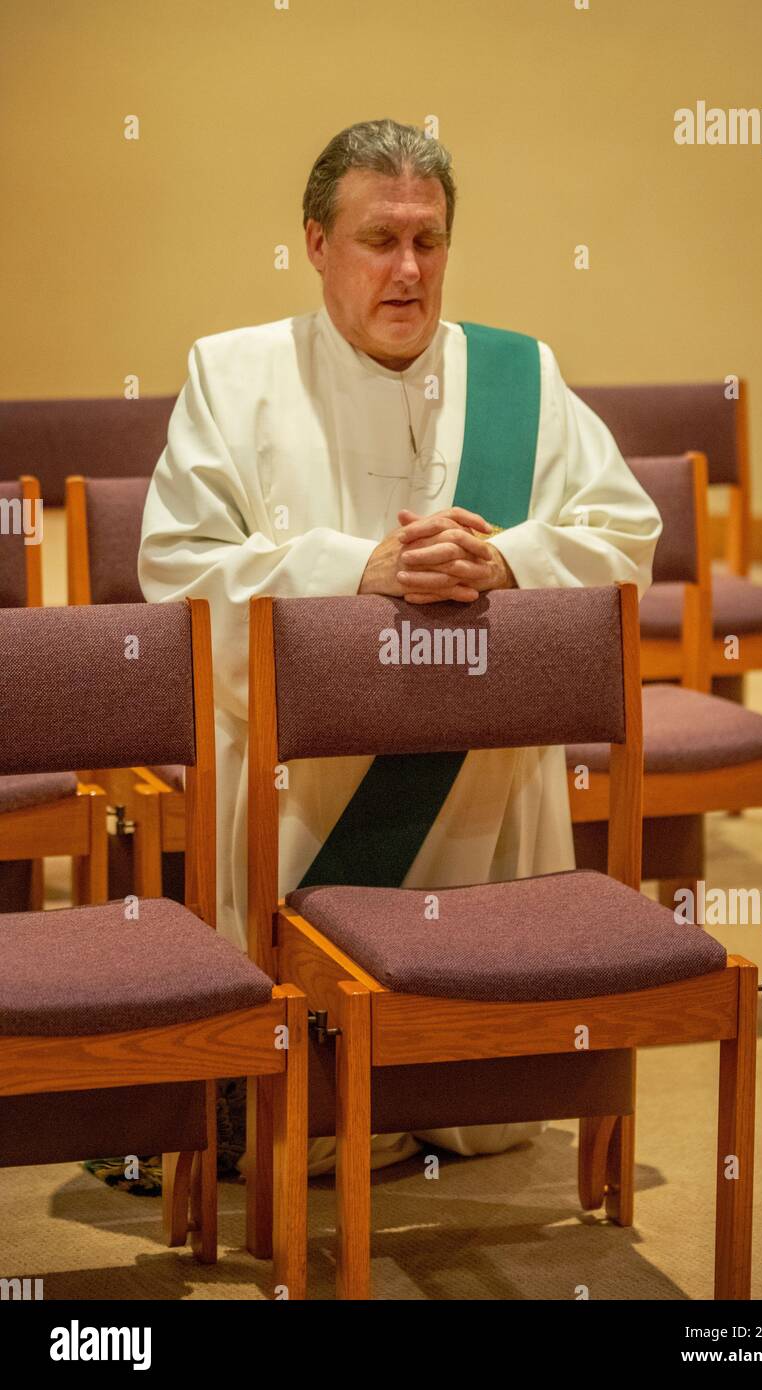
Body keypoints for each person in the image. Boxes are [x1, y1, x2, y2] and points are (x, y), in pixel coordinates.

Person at [138, 118, 661, 1173]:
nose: (408, 269)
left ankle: (474, 1094)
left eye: (428, 241)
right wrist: (352, 570)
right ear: (315, 244)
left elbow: (624, 537)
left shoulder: (520, 375)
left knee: (483, 1108)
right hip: (309, 795)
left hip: (484, 784)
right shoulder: (232, 376)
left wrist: (506, 562)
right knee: (316, 1135)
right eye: (379, 239)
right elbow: (181, 575)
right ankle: (311, 1110)